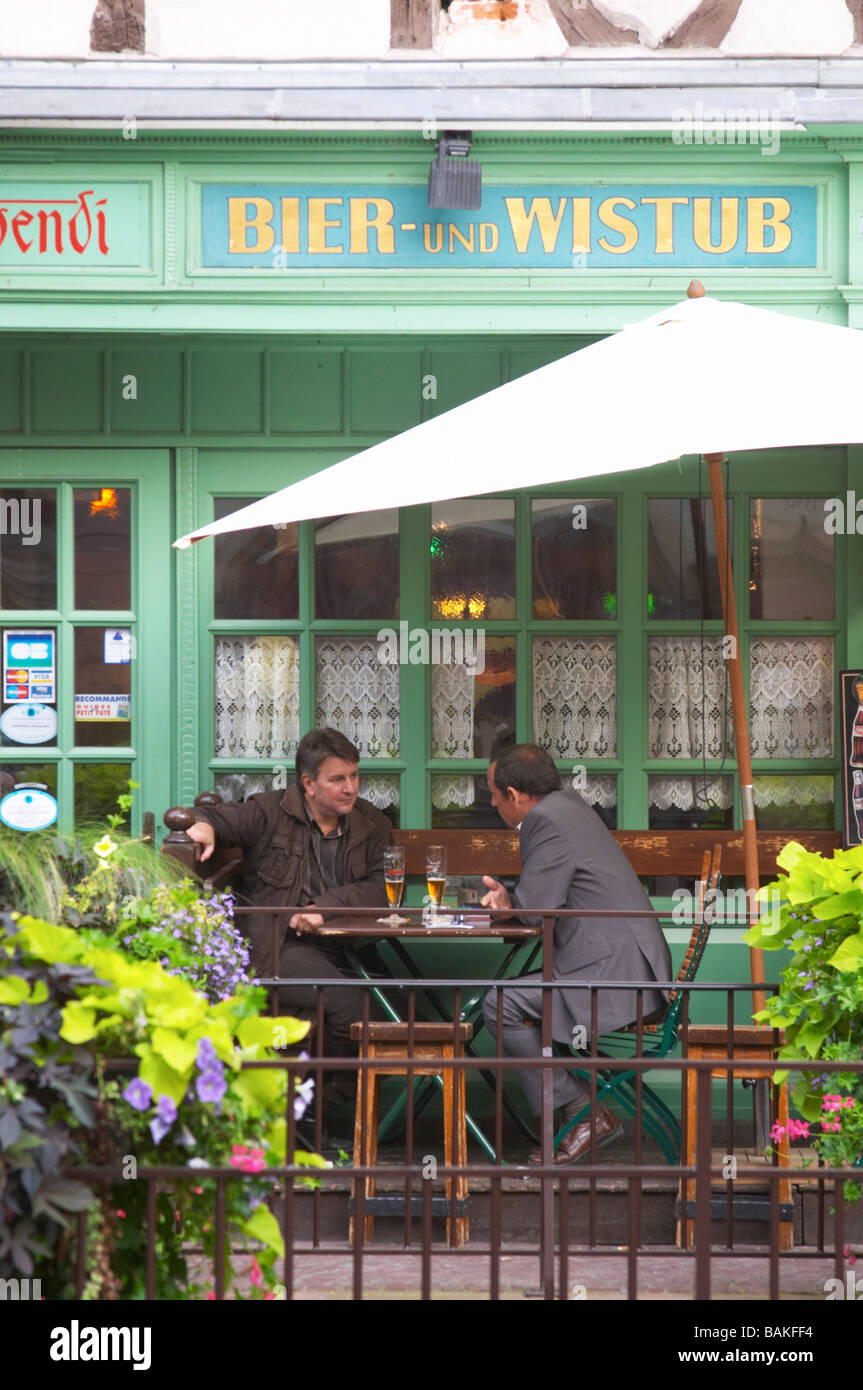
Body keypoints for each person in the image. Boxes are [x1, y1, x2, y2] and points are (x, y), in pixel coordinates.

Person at [480, 744, 672, 1166]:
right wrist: (514, 900)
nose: (492, 802)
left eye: (494, 793)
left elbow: (536, 909)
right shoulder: (569, 807)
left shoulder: (543, 820)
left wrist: (507, 903)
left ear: (514, 794)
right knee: (515, 1002)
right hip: (631, 967)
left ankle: (581, 1110)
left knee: (499, 1003)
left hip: (615, 976)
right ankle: (577, 1105)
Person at [186, 727, 392, 1113]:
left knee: (402, 1006)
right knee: (359, 1011)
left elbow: (383, 889)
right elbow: (213, 815)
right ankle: (317, 1112)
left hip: (350, 948)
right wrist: (202, 825)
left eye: (354, 776)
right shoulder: (269, 810)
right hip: (279, 948)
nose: (350, 788)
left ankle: (313, 1109)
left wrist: (324, 907)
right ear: (309, 784)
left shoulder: (372, 823)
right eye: (338, 779)